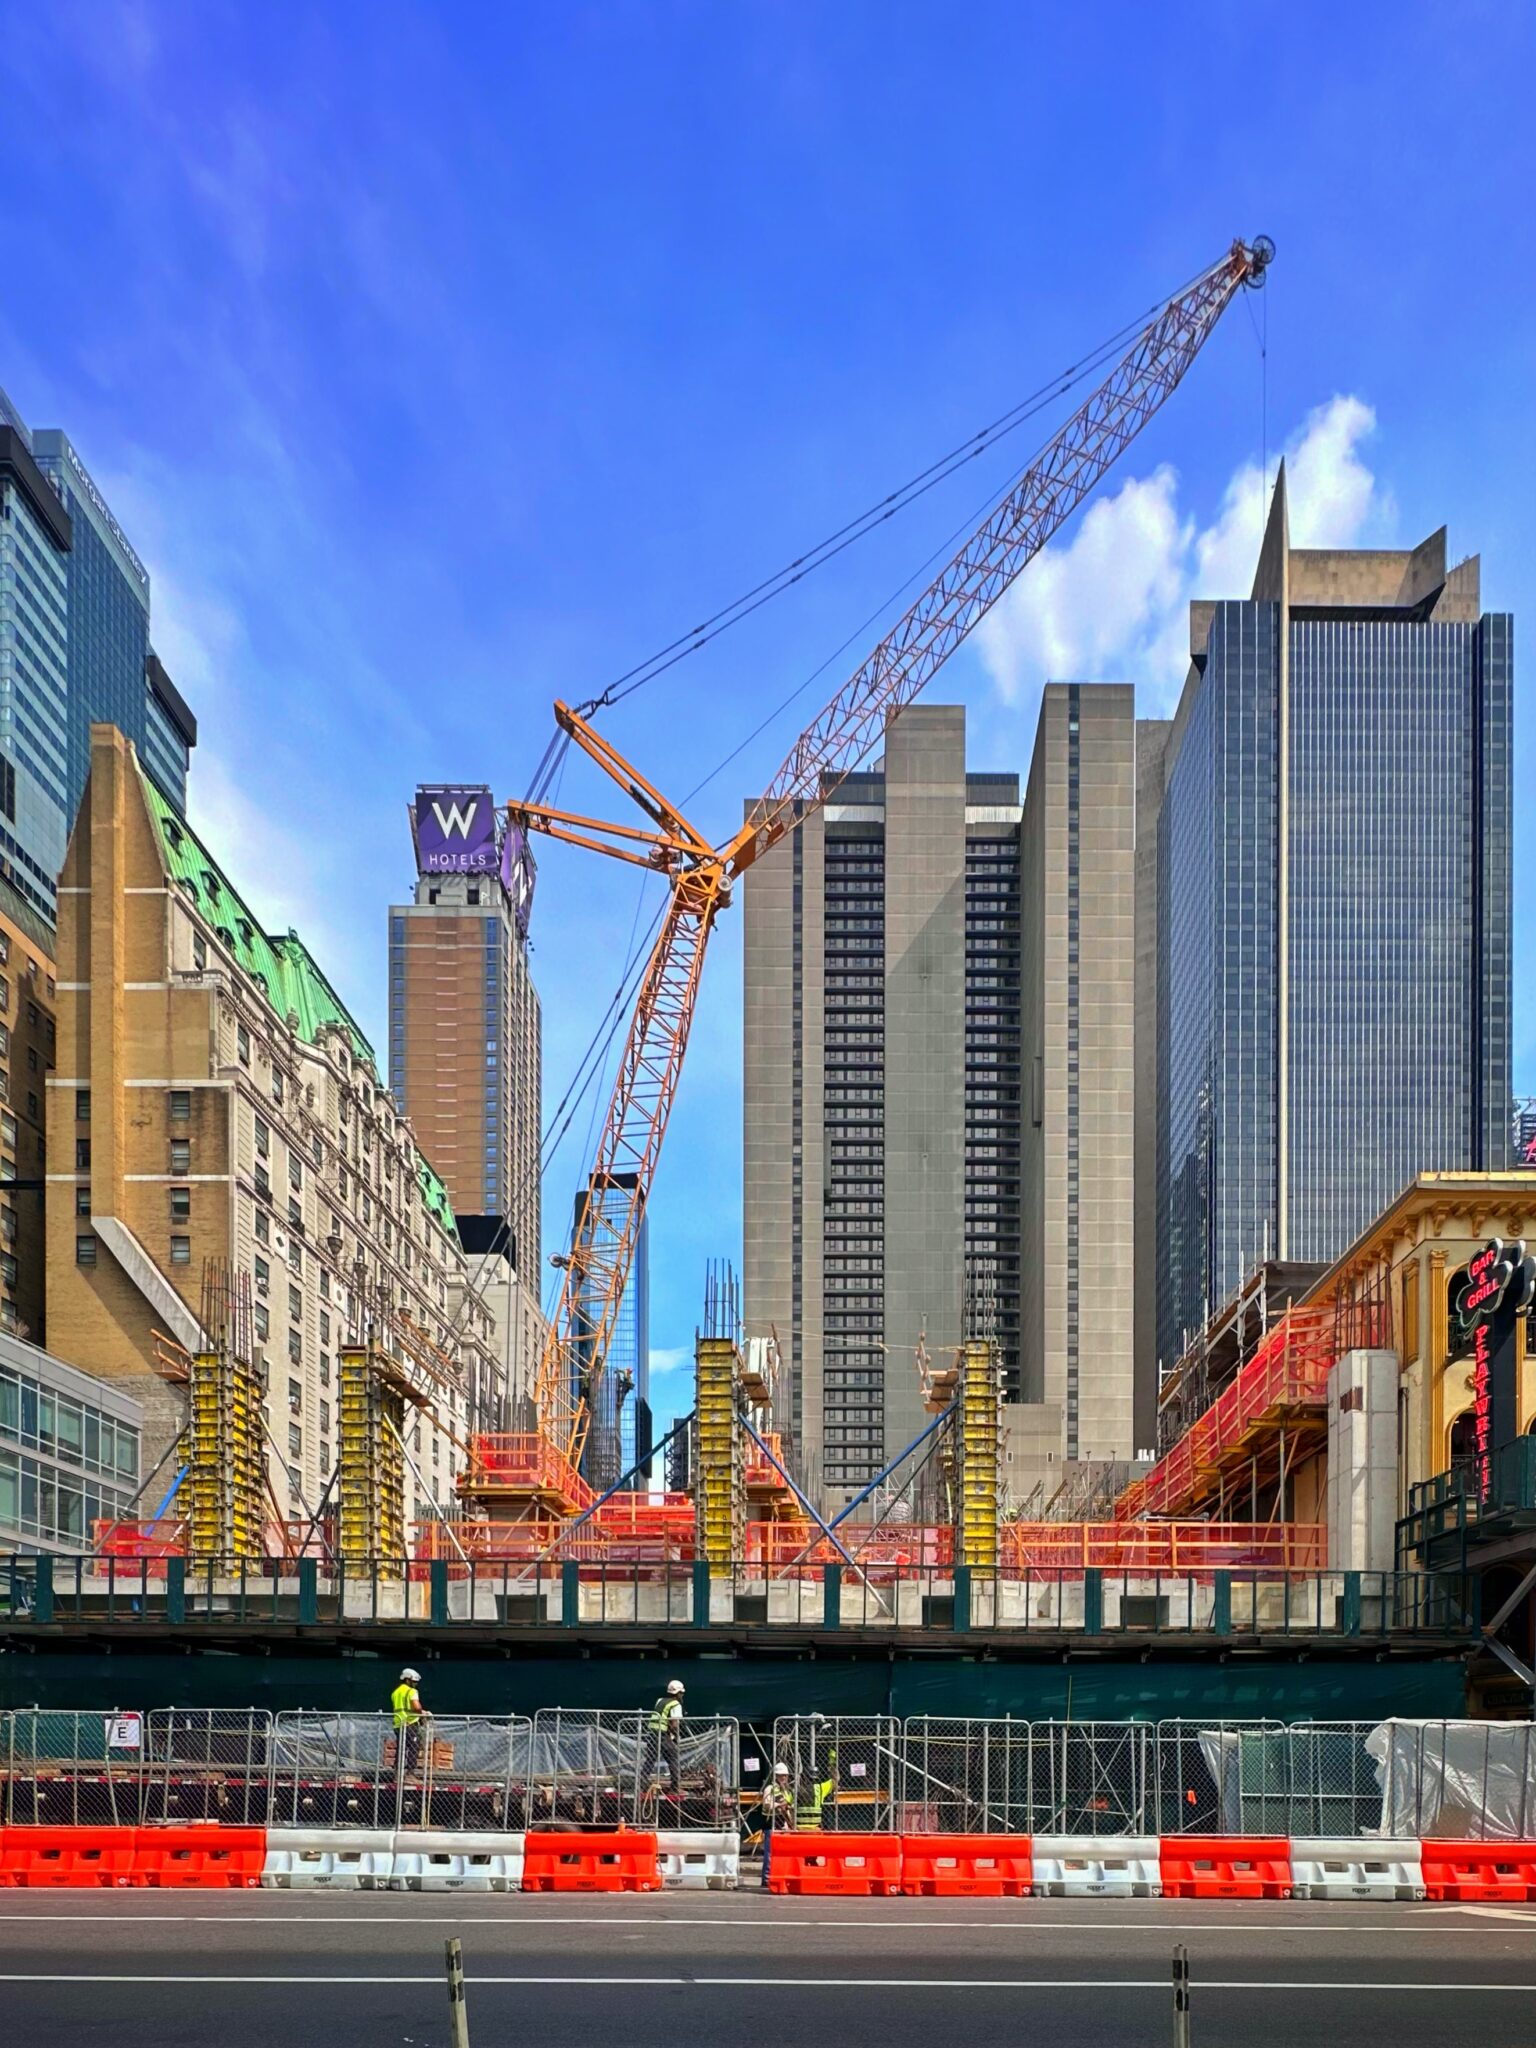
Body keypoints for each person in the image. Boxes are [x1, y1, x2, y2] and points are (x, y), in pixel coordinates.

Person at [756, 1761, 795, 1889]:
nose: (784, 1778)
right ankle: (766, 1878)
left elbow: (788, 1806)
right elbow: (766, 1805)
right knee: (770, 1853)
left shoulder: (786, 1791)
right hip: (770, 1824)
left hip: (781, 1825)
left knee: (781, 1854)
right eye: (781, 1775)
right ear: (775, 1776)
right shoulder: (770, 1789)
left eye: (785, 1775)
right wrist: (778, 1805)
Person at [647, 1678, 685, 1797]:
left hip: (653, 1734)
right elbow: (674, 1723)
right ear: (678, 1693)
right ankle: (675, 1788)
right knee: (673, 1759)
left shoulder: (660, 1701)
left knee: (649, 1761)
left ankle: (640, 1784)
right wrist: (676, 1737)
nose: (682, 1695)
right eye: (682, 1693)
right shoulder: (676, 1704)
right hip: (663, 1735)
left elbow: (663, 1718)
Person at [391, 1666, 429, 1776]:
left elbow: (403, 1707)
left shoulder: (396, 1692)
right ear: (407, 1680)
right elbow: (416, 1708)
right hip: (410, 1723)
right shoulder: (412, 1691)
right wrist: (423, 1713)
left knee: (401, 1748)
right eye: (414, 1681)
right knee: (413, 1747)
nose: (415, 1684)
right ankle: (410, 1774)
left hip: (398, 1724)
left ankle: (397, 1773)